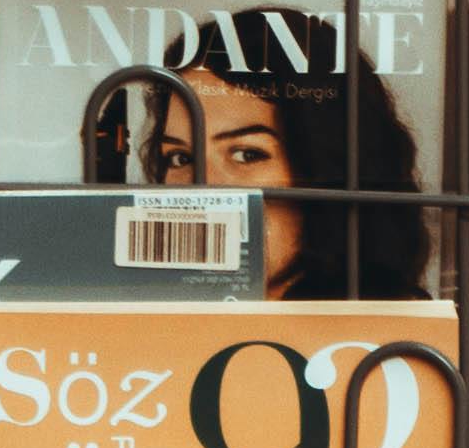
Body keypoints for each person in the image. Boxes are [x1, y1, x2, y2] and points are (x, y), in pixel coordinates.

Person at [110, 29, 432, 302]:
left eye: (248, 154)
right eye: (181, 158)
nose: (203, 188)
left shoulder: (393, 336)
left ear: (328, 165)